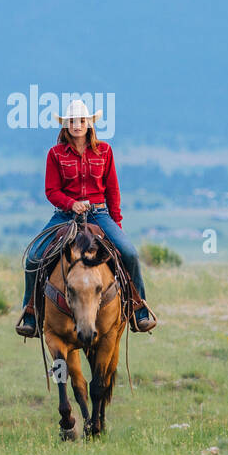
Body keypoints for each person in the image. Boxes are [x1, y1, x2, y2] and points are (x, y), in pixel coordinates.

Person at [16, 99, 156, 338]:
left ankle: (138, 307)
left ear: (89, 123)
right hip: (65, 215)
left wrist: (116, 225)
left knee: (129, 253)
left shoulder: (105, 151)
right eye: (72, 121)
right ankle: (31, 313)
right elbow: (51, 191)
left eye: (81, 120)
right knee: (33, 258)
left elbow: (112, 190)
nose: (77, 125)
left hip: (99, 213)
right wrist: (71, 204)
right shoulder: (55, 154)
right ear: (66, 125)